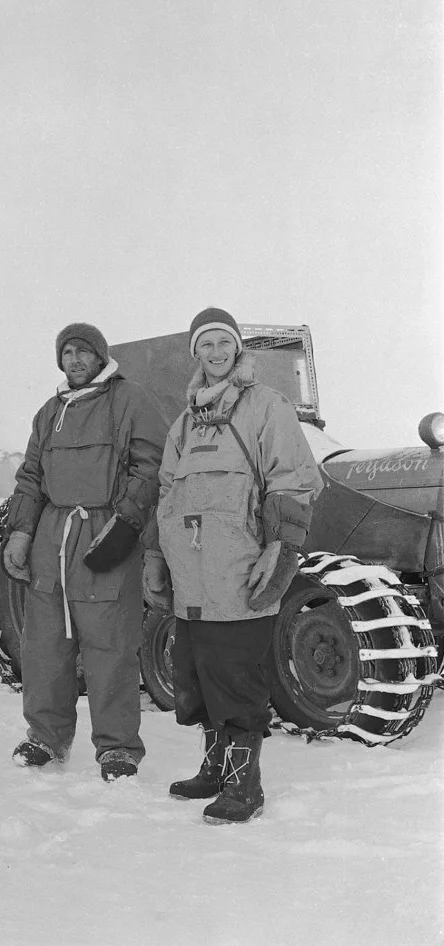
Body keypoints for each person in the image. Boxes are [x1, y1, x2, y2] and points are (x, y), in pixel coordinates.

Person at [144, 306, 323, 824]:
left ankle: (246, 785)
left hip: (242, 569)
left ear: (238, 349)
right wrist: (156, 556)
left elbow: (291, 478)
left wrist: (280, 548)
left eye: (224, 343)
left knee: (238, 675)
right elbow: (167, 494)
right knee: (199, 673)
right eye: (206, 345)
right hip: (190, 575)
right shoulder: (183, 422)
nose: (216, 353)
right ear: (195, 353)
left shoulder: (266, 406)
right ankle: (216, 767)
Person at [3, 323, 167, 781]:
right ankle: (45, 737)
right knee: (45, 644)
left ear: (100, 357)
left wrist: (125, 523)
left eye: (83, 352)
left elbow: (150, 466)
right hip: (52, 534)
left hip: (103, 529)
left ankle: (117, 748)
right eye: (67, 353)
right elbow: (30, 477)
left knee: (110, 644)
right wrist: (21, 533)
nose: (74, 360)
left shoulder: (129, 400)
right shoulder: (48, 412)